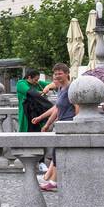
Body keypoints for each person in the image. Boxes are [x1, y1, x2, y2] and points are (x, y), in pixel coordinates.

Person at [32, 63, 74, 191]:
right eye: (55, 74)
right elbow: (57, 108)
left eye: (60, 73)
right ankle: (48, 178)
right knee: (56, 152)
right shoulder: (61, 89)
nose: (58, 76)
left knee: (58, 153)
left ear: (67, 74)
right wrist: (45, 121)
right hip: (61, 124)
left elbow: (76, 107)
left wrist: (76, 123)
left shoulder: (71, 89)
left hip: (69, 124)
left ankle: (54, 181)